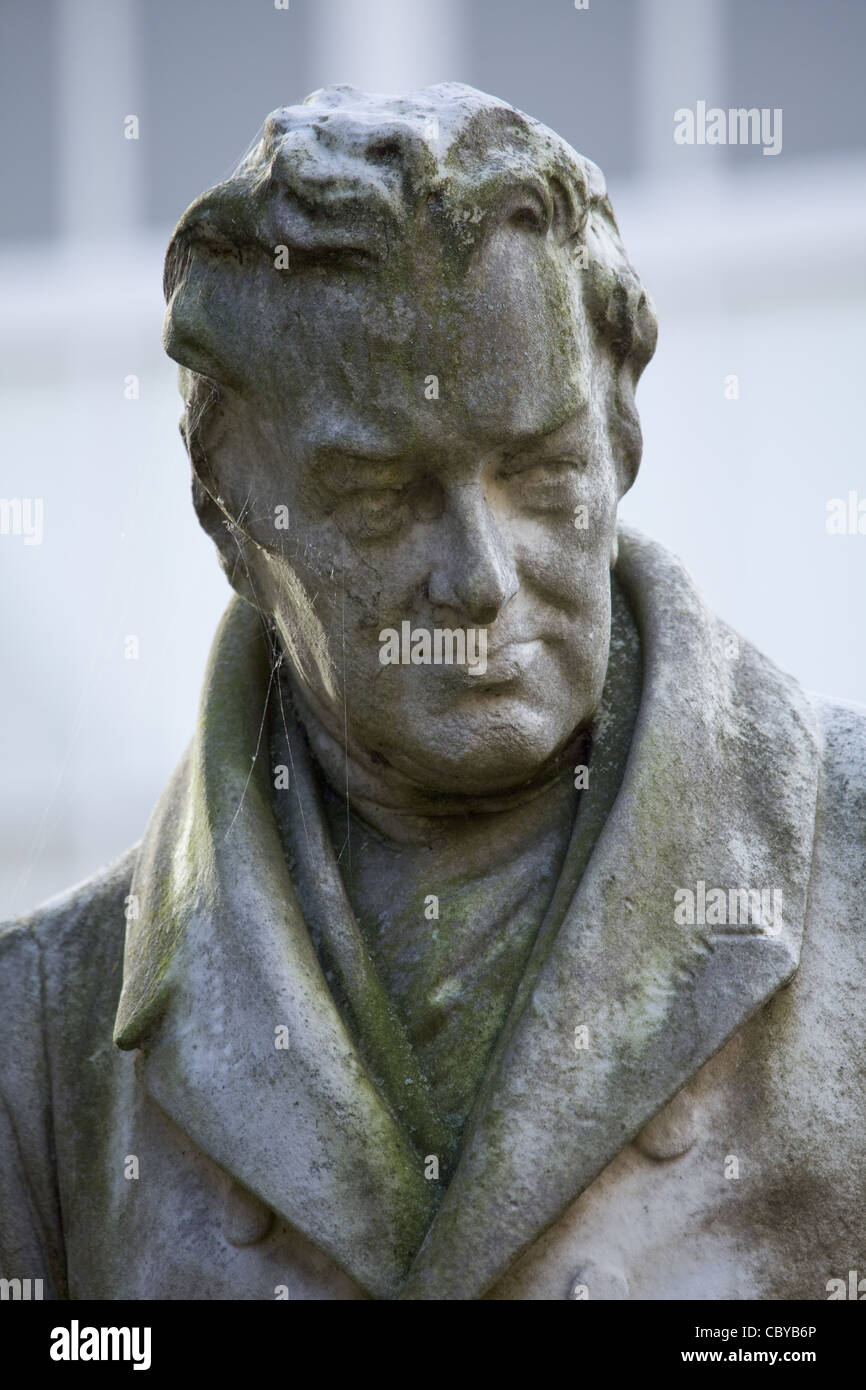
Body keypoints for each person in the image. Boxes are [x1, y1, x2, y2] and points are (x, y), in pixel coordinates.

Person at [1, 83, 863, 1301]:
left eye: (539, 469)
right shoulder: (42, 1036)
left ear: (620, 441)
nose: (480, 575)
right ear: (232, 522)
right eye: (381, 498)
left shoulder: (852, 868)